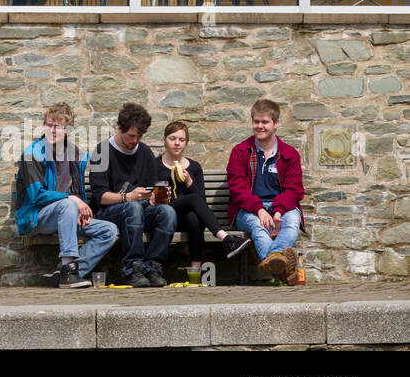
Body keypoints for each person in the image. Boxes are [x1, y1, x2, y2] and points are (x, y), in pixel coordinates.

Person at [15, 102, 119, 288]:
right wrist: (72, 200)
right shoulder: (33, 155)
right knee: (68, 204)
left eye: (59, 127)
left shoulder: (75, 153)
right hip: (35, 218)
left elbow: (78, 189)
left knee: (109, 231)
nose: (52, 130)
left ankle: (66, 272)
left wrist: (81, 209)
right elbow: (37, 196)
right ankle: (68, 269)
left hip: (67, 216)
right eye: (48, 125)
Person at [88, 102, 177, 287]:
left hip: (138, 209)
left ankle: (153, 267)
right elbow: (99, 197)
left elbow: (152, 189)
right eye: (131, 136)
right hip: (108, 213)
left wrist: (156, 197)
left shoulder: (144, 152)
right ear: (119, 128)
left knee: (167, 213)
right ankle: (132, 268)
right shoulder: (102, 151)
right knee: (133, 207)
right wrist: (128, 197)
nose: (135, 140)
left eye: (139, 136)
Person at [227, 99, 305, 285]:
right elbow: (237, 187)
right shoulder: (240, 152)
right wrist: (260, 210)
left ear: (276, 123)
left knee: (292, 222)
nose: (259, 126)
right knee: (257, 226)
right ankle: (282, 265)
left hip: (282, 207)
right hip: (248, 209)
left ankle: (275, 263)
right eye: (256, 122)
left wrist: (278, 211)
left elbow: (294, 189)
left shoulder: (290, 154)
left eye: (265, 122)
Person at [155, 120, 248, 269]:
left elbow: (201, 202)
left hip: (186, 219)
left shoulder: (194, 167)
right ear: (164, 140)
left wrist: (190, 183)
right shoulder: (155, 165)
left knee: (194, 217)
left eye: (181, 140)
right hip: (166, 215)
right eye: (172, 139)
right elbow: (156, 200)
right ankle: (226, 238)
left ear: (186, 143)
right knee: (191, 199)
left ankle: (195, 269)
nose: (177, 143)